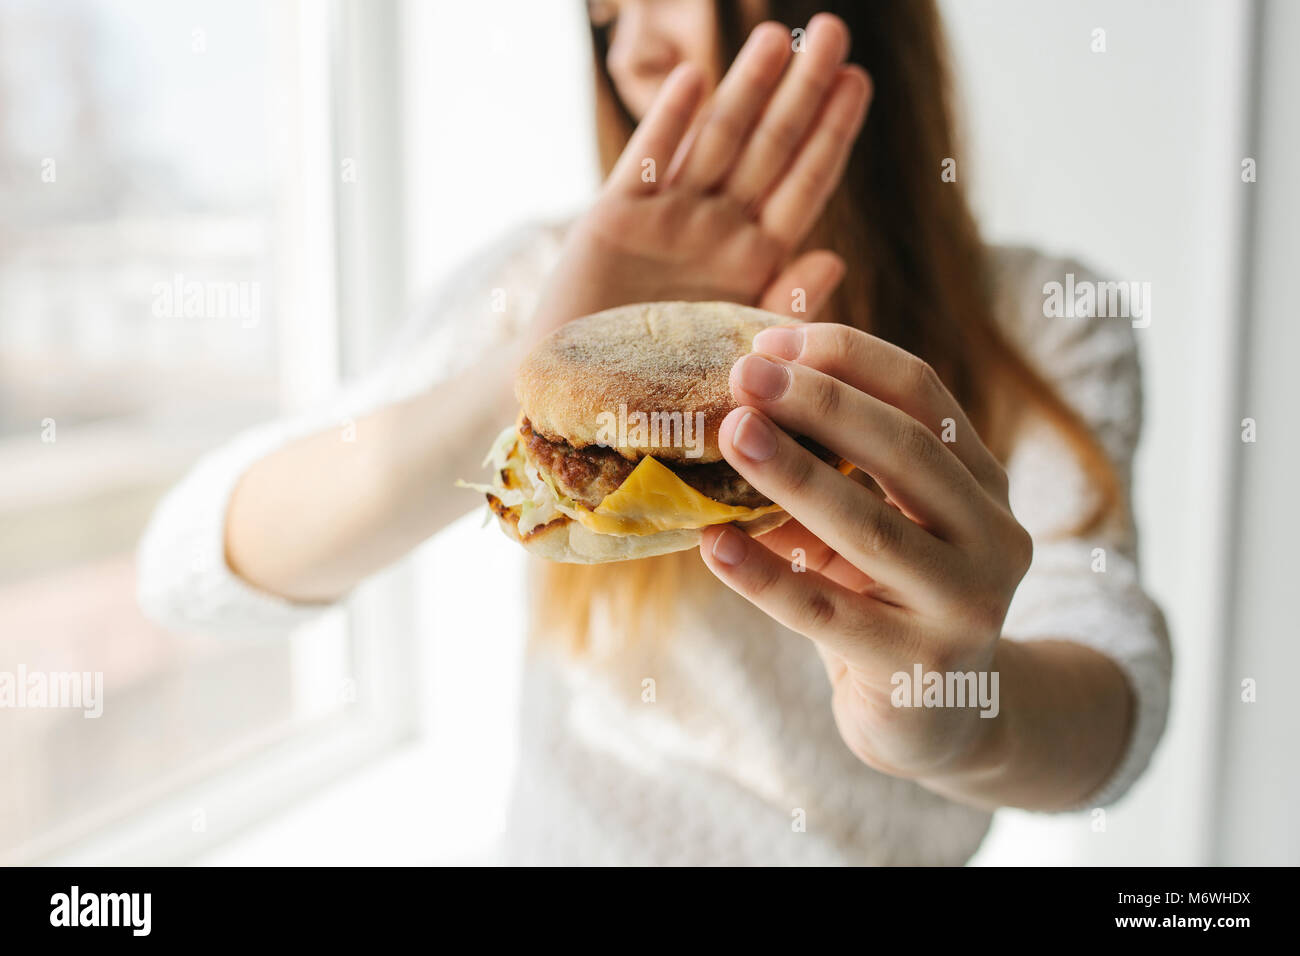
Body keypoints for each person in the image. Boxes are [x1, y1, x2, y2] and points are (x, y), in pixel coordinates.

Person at [138, 2, 1171, 865]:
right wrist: (540, 372)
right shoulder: (543, 280)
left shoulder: (1041, 317)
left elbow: (1114, 703)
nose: (632, 48)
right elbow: (188, 563)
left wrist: (953, 712)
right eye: (606, 8)